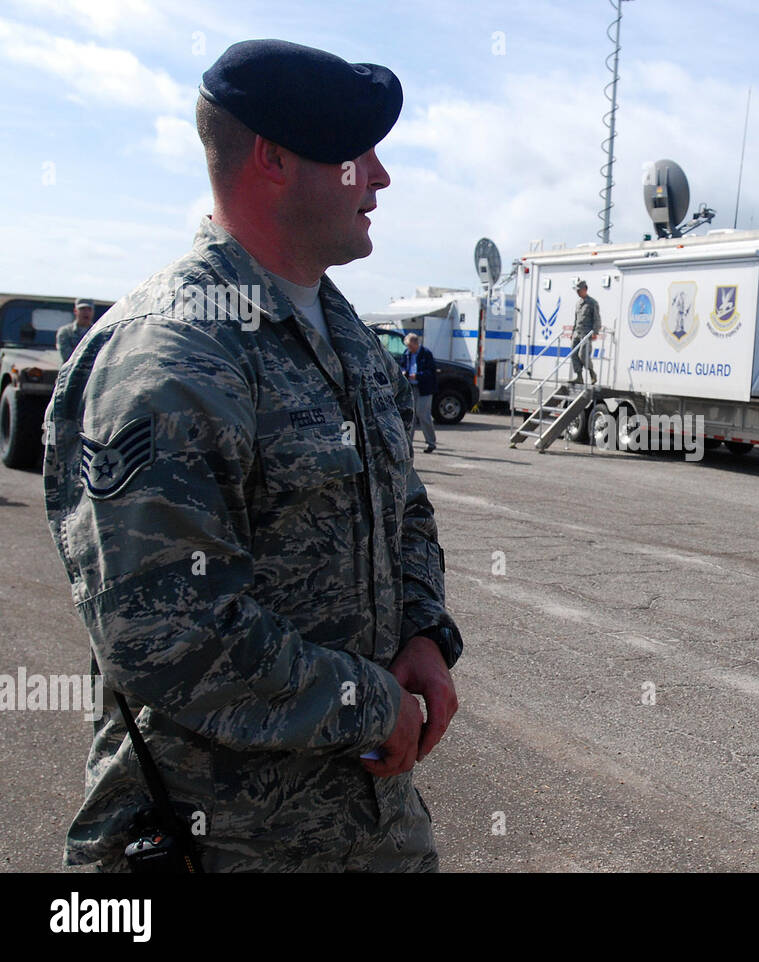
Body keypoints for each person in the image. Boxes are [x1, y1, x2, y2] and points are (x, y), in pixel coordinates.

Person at [43, 39, 463, 873]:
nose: (380, 178)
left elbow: (403, 505)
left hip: (368, 826)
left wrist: (423, 627)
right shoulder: (171, 354)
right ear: (271, 158)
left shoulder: (341, 332)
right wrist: (370, 701)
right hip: (218, 841)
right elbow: (169, 631)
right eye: (356, 152)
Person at [401, 333, 439, 452]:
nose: (409, 349)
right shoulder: (407, 354)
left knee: (423, 414)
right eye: (408, 346)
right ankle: (408, 443)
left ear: (416, 344)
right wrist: (404, 373)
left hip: (424, 389)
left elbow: (431, 372)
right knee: (410, 415)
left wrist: (417, 375)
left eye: (411, 346)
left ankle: (431, 442)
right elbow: (402, 366)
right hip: (411, 387)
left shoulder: (426, 354)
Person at [570, 279, 600, 384]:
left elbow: (597, 319)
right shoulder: (578, 303)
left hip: (586, 333)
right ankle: (579, 376)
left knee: (582, 354)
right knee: (573, 354)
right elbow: (576, 319)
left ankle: (592, 373)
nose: (578, 292)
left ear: (585, 289)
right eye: (577, 290)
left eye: (580, 290)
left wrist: (595, 332)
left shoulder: (592, 303)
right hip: (577, 333)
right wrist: (572, 332)